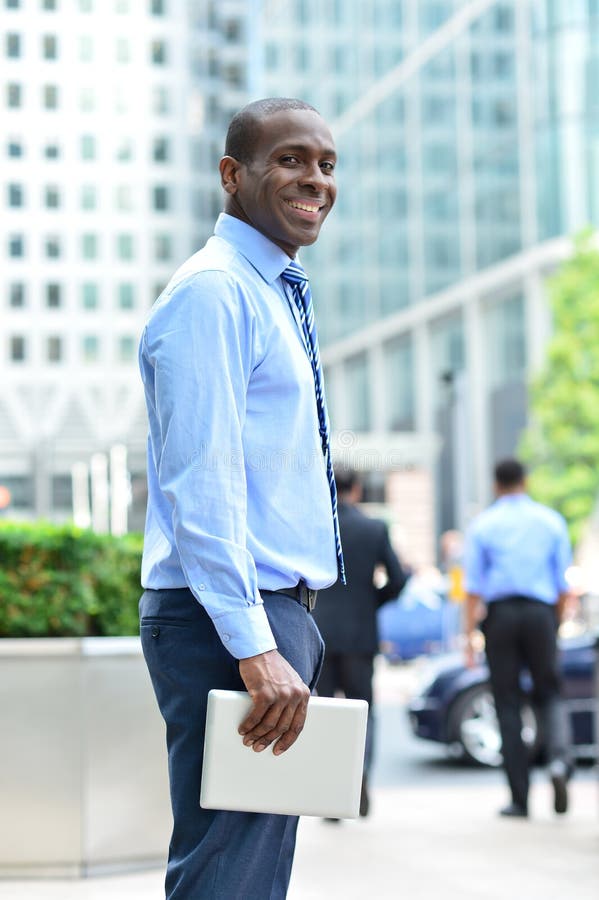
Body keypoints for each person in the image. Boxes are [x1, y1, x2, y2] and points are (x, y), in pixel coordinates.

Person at [138, 98, 343, 899]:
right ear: (233, 174)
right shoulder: (216, 293)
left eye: (326, 165)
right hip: (232, 622)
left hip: (268, 614)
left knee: (250, 875)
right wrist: (255, 646)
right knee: (227, 877)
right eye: (291, 159)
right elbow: (202, 482)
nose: (315, 181)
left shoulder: (272, 290)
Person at [464, 458, 573, 819]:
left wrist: (468, 637)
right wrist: (553, 623)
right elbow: (563, 586)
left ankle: (519, 798)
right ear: (524, 481)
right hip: (541, 614)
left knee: (507, 703)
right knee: (550, 692)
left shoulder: (484, 524)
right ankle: (558, 762)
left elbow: (474, 588)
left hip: (501, 618)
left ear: (496, 485)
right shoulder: (550, 521)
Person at [313, 467, 406, 818]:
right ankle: (361, 774)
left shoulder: (317, 526)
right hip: (360, 637)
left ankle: (332, 796)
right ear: (358, 489)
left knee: (324, 715)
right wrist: (371, 602)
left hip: (319, 633)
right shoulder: (374, 527)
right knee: (362, 712)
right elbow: (398, 579)